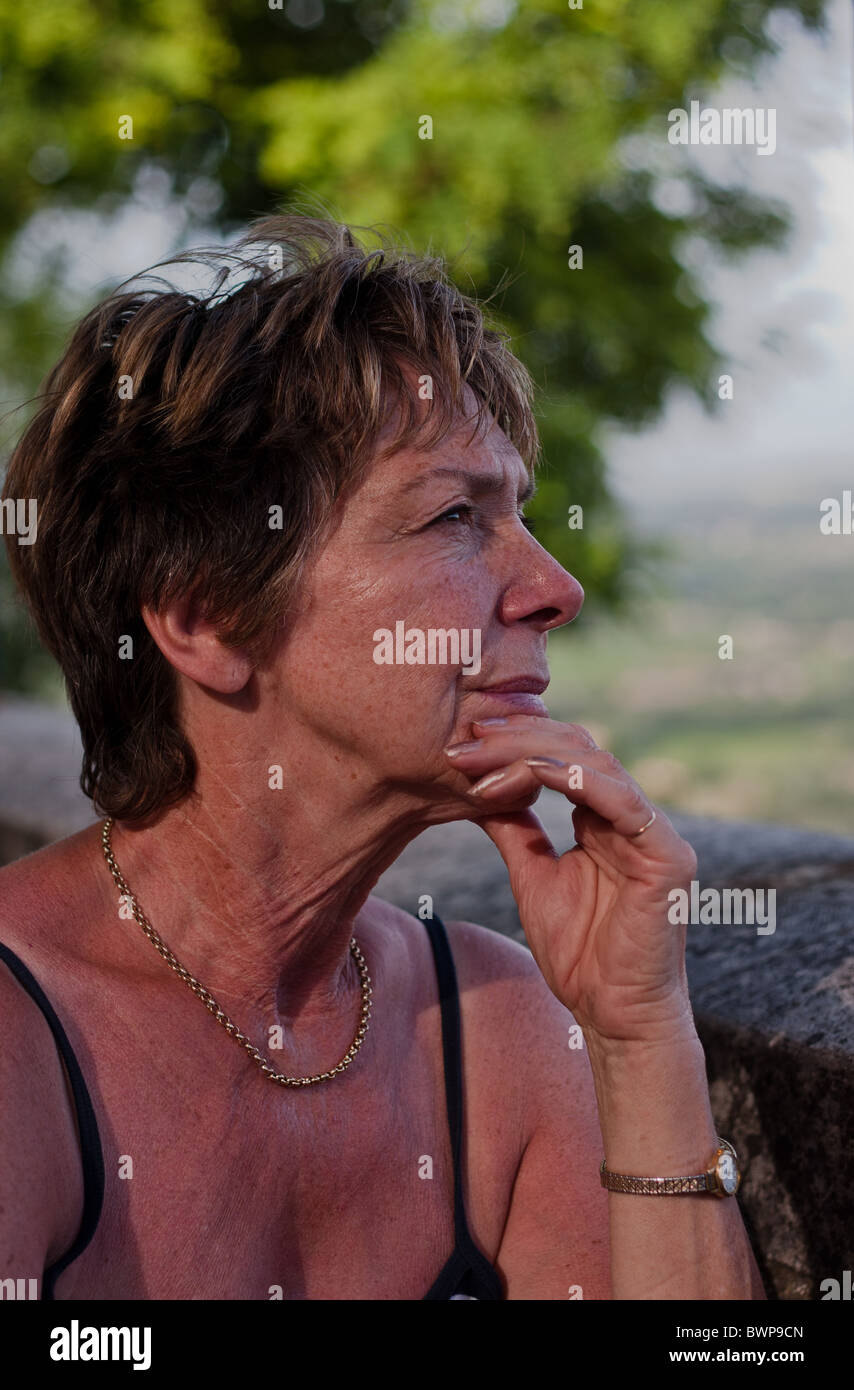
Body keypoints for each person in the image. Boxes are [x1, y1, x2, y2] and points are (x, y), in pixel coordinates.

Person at [0, 213, 765, 1300]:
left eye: (519, 515)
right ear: (206, 618)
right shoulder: (19, 1042)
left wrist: (639, 1041)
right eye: (456, 515)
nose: (553, 588)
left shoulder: (489, 1030)